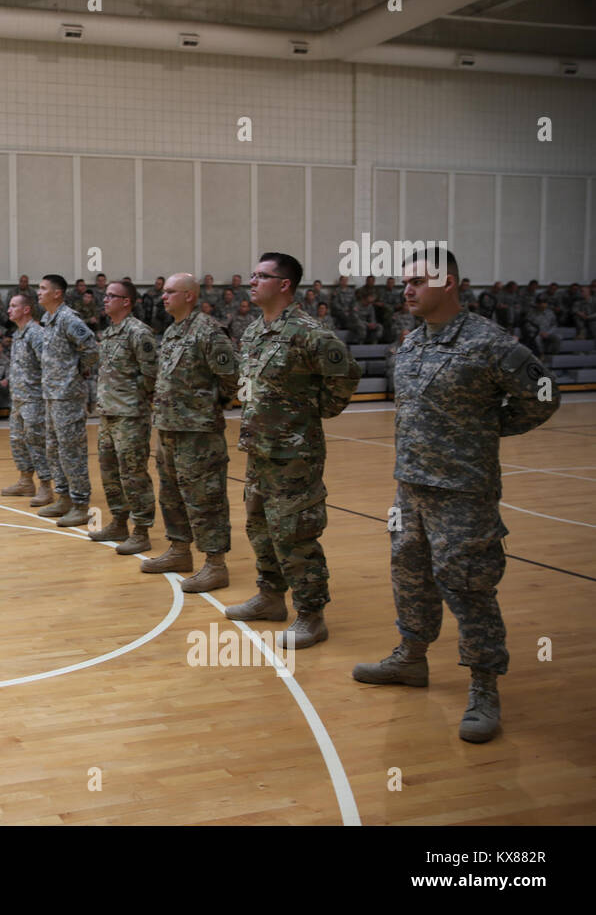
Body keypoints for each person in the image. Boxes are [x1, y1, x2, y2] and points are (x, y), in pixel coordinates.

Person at [352, 250, 559, 743]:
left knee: (467, 583)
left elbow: (545, 395)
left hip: (464, 490)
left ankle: (484, 685)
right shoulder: (410, 341)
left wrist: (486, 430)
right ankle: (411, 657)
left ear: (449, 284)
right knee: (409, 572)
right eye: (405, 281)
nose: (407, 289)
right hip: (410, 487)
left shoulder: (489, 341)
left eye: (418, 281)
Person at [224, 252, 360, 650]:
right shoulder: (253, 332)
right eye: (252, 274)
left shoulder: (308, 332)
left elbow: (345, 375)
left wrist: (313, 414)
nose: (252, 281)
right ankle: (269, 597)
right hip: (259, 450)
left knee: (295, 533)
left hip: (294, 456)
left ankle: (311, 615)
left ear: (284, 285)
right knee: (260, 527)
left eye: (261, 276)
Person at [141, 273, 238, 590]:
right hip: (168, 427)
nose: (163, 296)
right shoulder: (171, 331)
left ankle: (215, 564)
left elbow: (231, 377)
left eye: (171, 291)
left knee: (205, 499)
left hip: (198, 433)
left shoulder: (208, 331)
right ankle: (180, 550)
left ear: (190, 296)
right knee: (171, 494)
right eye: (164, 291)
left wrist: (208, 407)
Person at [89, 279, 157, 555]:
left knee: (133, 474)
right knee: (109, 472)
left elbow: (151, 374)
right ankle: (118, 522)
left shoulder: (139, 333)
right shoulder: (110, 332)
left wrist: (133, 398)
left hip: (130, 415)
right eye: (105, 296)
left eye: (111, 296)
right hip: (108, 414)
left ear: (126, 302)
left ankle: (141, 531)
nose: (105, 300)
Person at [35, 274, 99, 527]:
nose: (38, 292)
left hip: (68, 396)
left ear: (57, 293)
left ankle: (81, 504)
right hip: (51, 395)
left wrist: (79, 372)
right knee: (53, 449)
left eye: (42, 289)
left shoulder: (69, 319)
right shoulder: (48, 320)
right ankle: (64, 498)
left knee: (72, 451)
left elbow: (92, 349)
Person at [0, 292, 52, 506]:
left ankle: (46, 487)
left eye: (13, 306)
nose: (9, 310)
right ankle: (25, 481)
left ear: (26, 309)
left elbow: (47, 366)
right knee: (18, 441)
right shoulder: (18, 334)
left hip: (34, 400)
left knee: (36, 443)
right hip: (19, 399)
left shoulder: (36, 334)